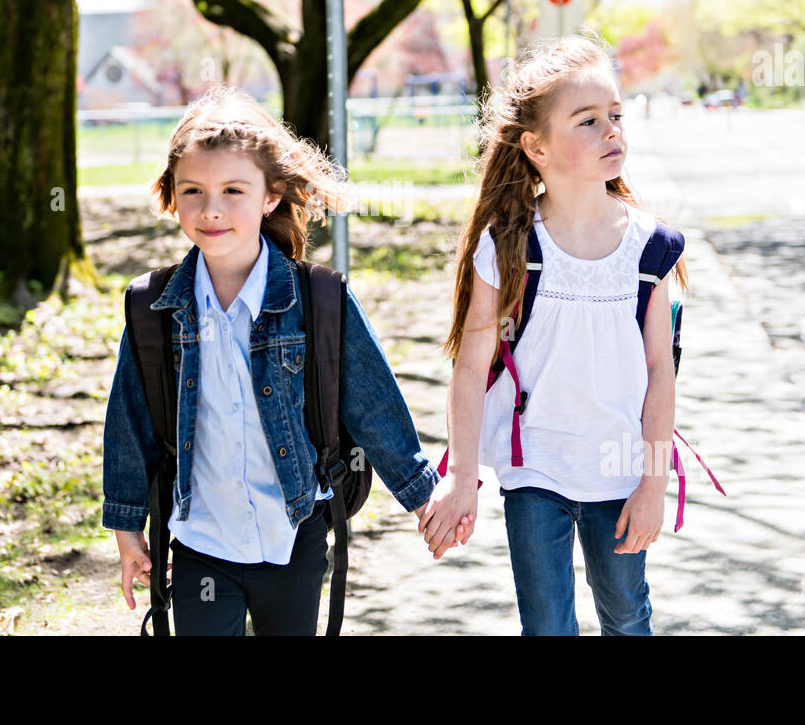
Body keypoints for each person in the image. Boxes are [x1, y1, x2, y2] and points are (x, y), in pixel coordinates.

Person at [102, 87, 462, 635]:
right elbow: (129, 422)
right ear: (172, 196)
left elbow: (372, 404)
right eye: (192, 190)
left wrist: (421, 497)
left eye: (233, 190)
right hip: (202, 540)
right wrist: (128, 527)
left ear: (270, 195)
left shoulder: (318, 301)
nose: (211, 208)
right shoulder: (154, 308)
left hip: (294, 535)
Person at [418, 33, 691, 636]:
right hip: (534, 467)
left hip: (620, 472)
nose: (611, 131)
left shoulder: (650, 248)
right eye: (588, 121)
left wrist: (653, 484)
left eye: (615, 115)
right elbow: (470, 366)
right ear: (535, 145)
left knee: (625, 615)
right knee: (547, 626)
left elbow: (659, 373)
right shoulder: (510, 242)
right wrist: (462, 478)